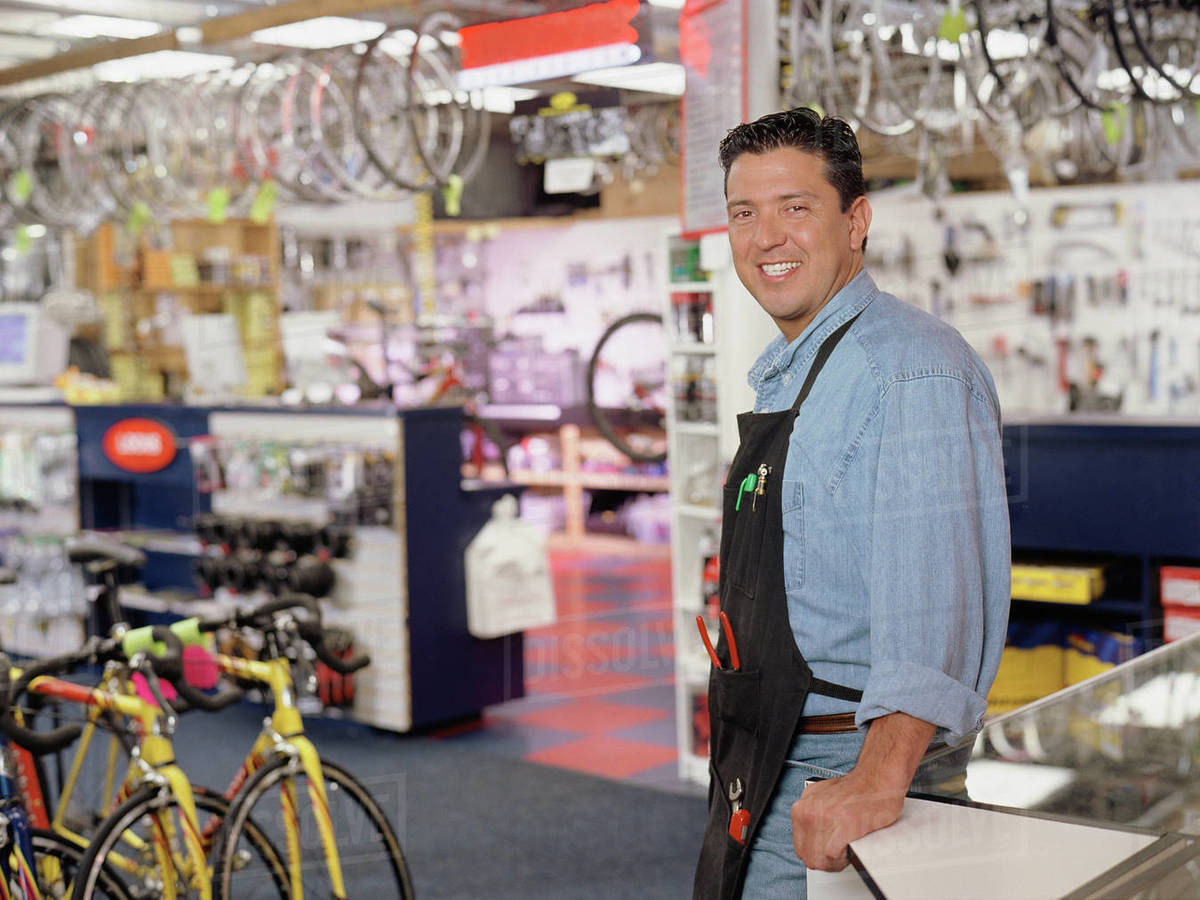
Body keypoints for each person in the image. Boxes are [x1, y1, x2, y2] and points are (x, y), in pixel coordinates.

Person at [692, 107, 1010, 899]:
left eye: (795, 207)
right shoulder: (798, 367)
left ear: (856, 220)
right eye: (744, 213)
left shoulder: (910, 370)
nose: (767, 237)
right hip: (766, 761)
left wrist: (875, 780)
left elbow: (932, 604)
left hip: (848, 777)